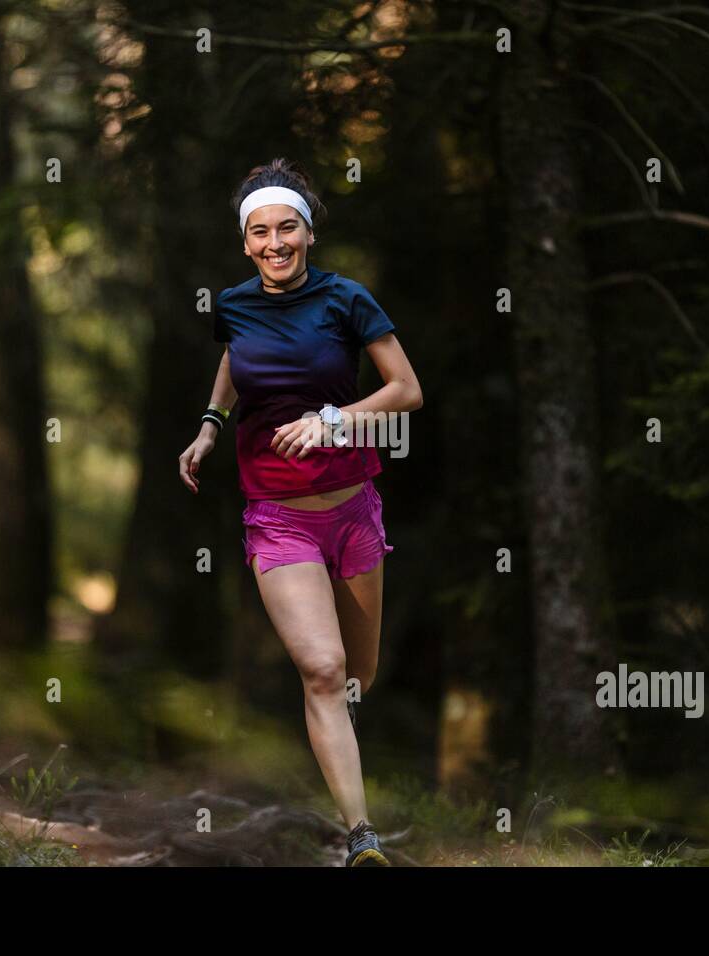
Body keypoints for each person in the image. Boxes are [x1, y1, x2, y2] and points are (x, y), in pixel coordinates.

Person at [178, 157, 422, 866]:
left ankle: (340, 751)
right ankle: (361, 837)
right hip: (277, 516)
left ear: (308, 234)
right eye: (260, 232)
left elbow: (406, 390)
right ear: (244, 241)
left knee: (355, 678)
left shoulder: (347, 301)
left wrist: (335, 420)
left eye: (287, 228)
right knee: (321, 668)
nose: (274, 243)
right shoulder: (233, 303)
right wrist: (209, 426)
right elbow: (235, 360)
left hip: (351, 512)